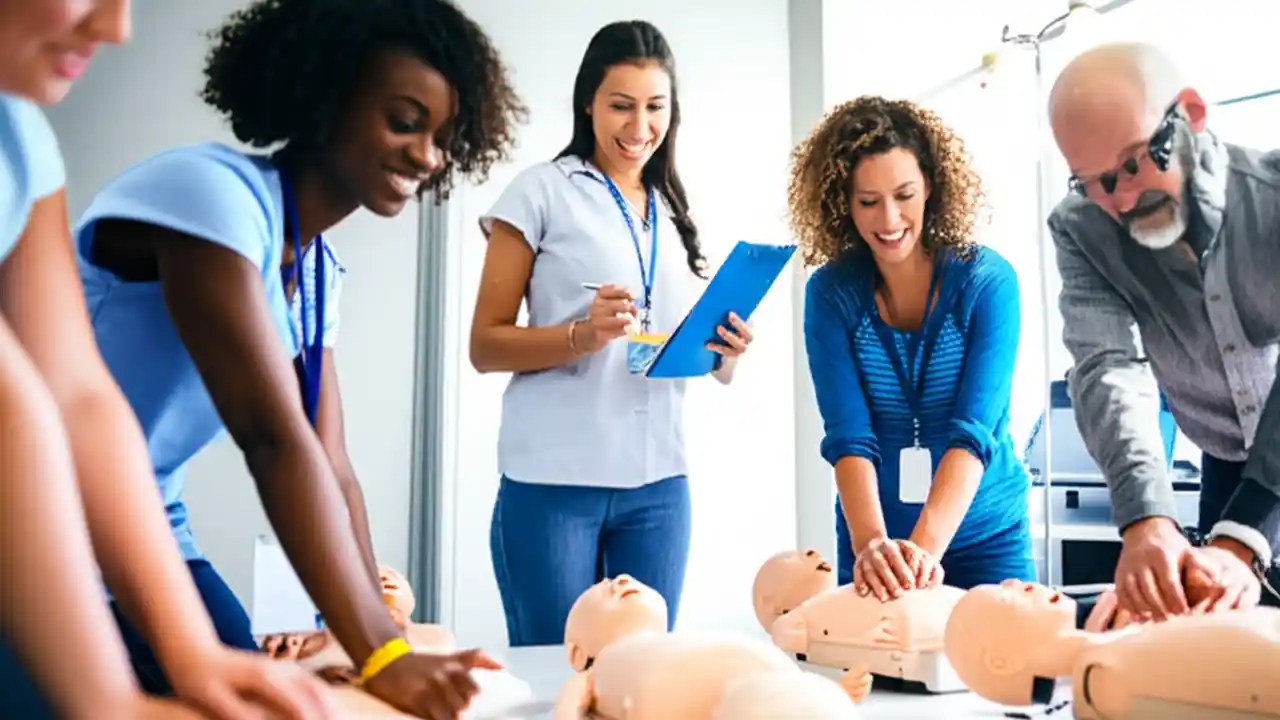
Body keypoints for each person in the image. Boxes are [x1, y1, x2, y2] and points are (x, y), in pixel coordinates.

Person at [67, 0, 526, 717]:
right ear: (324, 95)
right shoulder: (210, 198)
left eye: (443, 136)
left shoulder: (316, 275)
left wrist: (380, 634)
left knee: (269, 698)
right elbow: (273, 440)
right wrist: (378, 653)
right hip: (40, 528)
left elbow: (329, 462)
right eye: (405, 122)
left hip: (149, 534)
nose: (426, 155)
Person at [0, 2, 338, 719]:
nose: (116, 29)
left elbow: (78, 394)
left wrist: (193, 654)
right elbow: (14, 408)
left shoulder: (22, 142)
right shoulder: (207, 197)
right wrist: (112, 702)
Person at [470, 19, 754, 646]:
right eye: (621, 106)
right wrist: (579, 335)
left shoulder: (673, 212)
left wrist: (724, 356)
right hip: (553, 486)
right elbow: (484, 345)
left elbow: (683, 349)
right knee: (554, 676)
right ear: (587, 103)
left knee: (642, 679)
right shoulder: (540, 191)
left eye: (655, 107)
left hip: (659, 488)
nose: (639, 127)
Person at [1047, 41, 1280, 621]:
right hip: (1225, 466)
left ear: (1192, 115)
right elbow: (1108, 367)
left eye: (1136, 161)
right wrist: (1146, 517)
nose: (1123, 197)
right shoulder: (1082, 231)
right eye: (1093, 181)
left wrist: (1244, 535)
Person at [790, 96, 1035, 601]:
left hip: (988, 536)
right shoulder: (832, 294)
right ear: (843, 202)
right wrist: (875, 547)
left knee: (1009, 676)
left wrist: (920, 556)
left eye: (904, 194)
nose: (889, 218)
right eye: (868, 201)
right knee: (871, 681)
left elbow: (974, 434)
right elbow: (848, 437)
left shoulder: (987, 283)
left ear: (930, 186)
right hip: (873, 548)